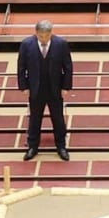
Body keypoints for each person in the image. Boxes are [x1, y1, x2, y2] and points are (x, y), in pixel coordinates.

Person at [18, 19, 74, 161]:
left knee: (58, 119)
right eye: (41, 36)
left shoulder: (61, 44)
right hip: (35, 88)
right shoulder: (26, 44)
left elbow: (67, 67)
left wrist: (66, 86)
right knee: (35, 119)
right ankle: (32, 147)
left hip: (55, 88)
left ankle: (61, 146)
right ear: (36, 33)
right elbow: (21, 67)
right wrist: (23, 86)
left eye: (46, 36)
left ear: (51, 33)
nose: (43, 39)